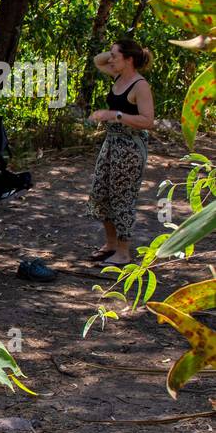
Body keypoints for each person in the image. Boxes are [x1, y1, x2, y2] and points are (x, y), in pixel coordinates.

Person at [87, 38, 155, 266]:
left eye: (116, 56)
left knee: (122, 198)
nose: (111, 59)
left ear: (129, 60)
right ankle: (111, 244)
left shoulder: (140, 85)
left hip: (130, 148)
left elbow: (147, 121)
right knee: (100, 194)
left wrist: (114, 115)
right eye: (112, 55)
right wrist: (115, 54)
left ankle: (124, 253)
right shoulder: (117, 75)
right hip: (111, 144)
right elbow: (98, 61)